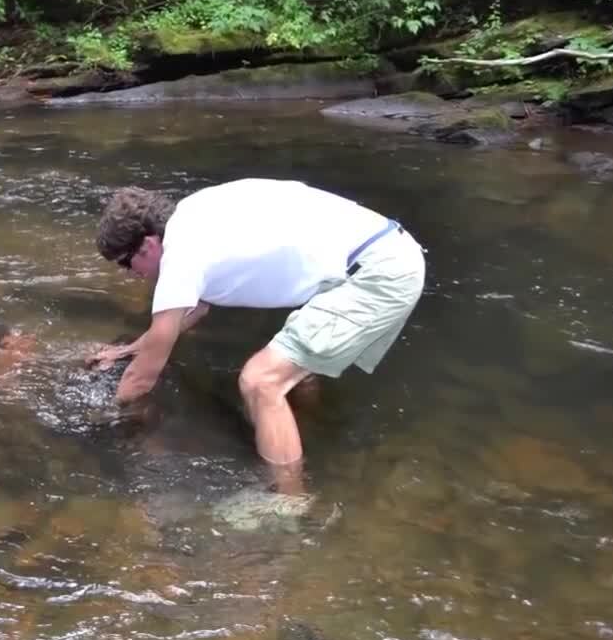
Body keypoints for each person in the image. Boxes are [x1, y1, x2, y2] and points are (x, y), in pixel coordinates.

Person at [88, 178, 426, 473]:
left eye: (126, 264)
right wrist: (131, 349)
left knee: (261, 381)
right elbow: (194, 311)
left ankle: (285, 505)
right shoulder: (193, 214)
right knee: (296, 371)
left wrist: (104, 420)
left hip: (375, 275)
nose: (130, 275)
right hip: (382, 251)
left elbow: (141, 378)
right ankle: (308, 436)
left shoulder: (180, 255)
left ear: (148, 245)